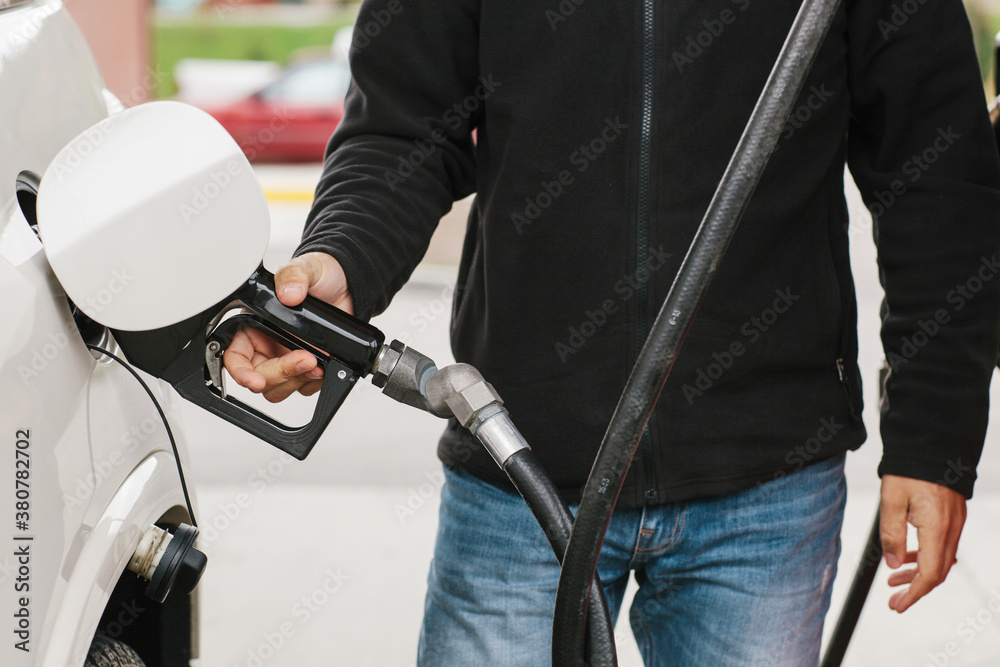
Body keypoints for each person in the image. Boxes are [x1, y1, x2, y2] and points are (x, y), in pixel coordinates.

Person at [224, 0, 1000, 664]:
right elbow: (402, 129)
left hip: (767, 491)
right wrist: (341, 263)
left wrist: (936, 438)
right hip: (519, 481)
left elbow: (936, 180)